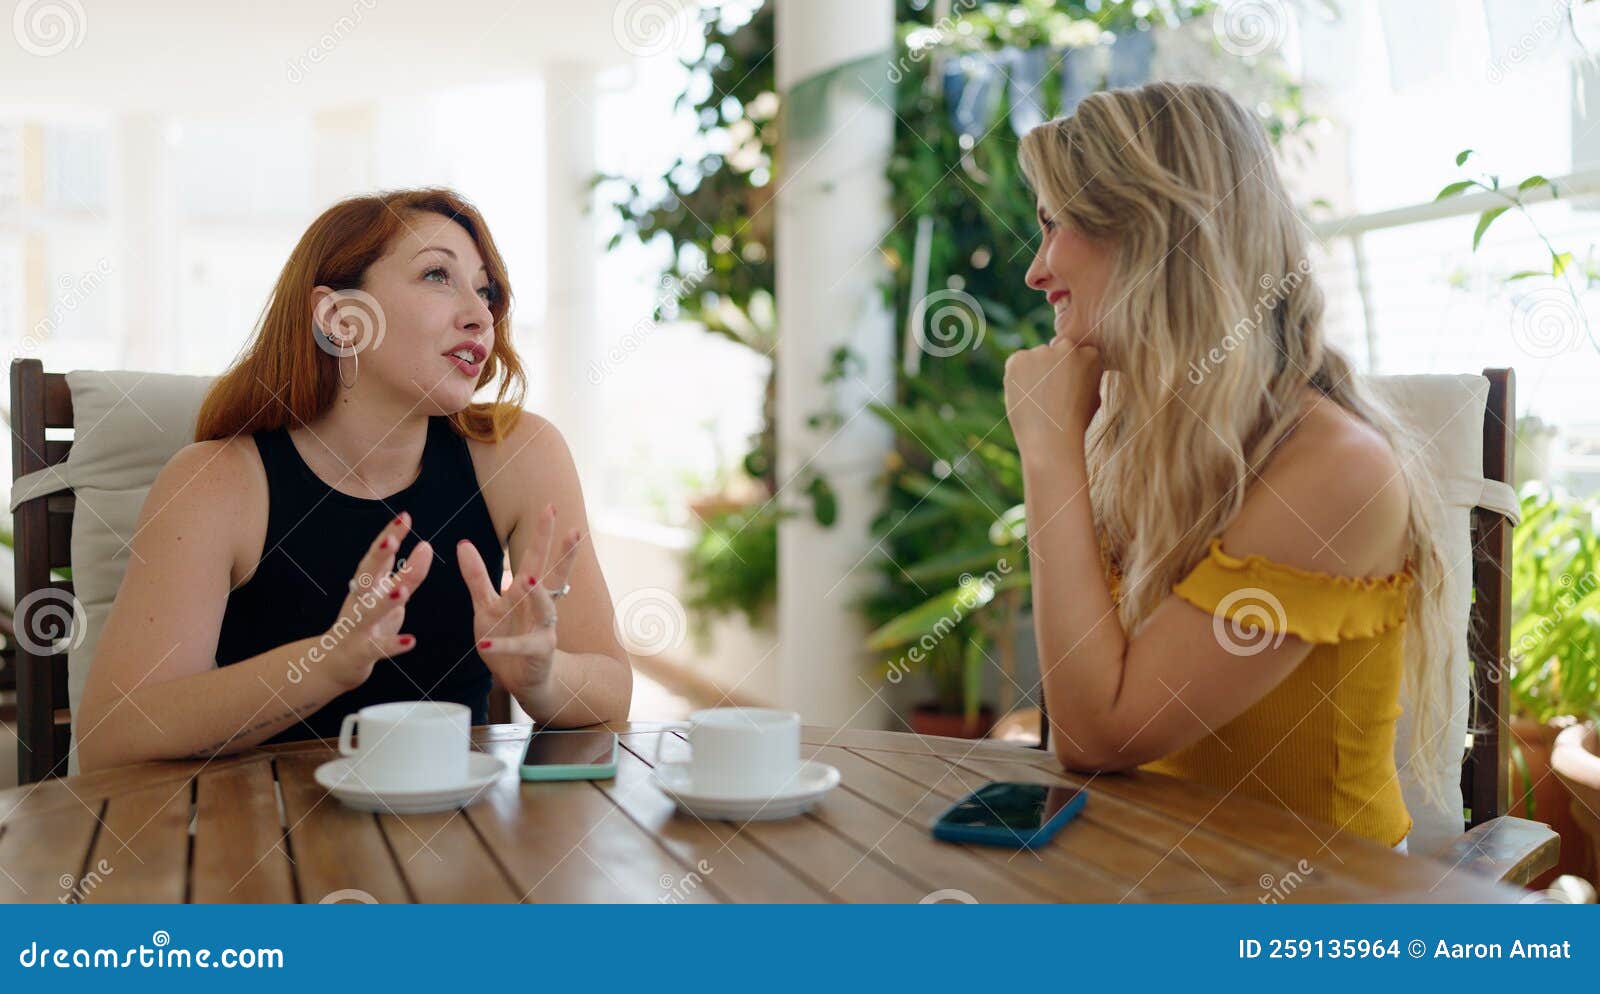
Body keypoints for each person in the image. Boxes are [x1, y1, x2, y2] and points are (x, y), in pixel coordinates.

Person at [1005, 82, 1453, 852]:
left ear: (1155, 234)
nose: (1037, 272)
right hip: (1151, 886)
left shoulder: (1337, 472)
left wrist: (1049, 455)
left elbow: (1098, 733)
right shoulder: (1137, 435)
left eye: (1057, 226)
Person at [77, 188, 632, 771]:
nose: (480, 313)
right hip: (268, 839)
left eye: (485, 288)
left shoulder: (519, 454)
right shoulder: (215, 483)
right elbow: (112, 736)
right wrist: (325, 666)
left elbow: (613, 688)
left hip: (461, 834)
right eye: (438, 275)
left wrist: (543, 677)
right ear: (341, 318)